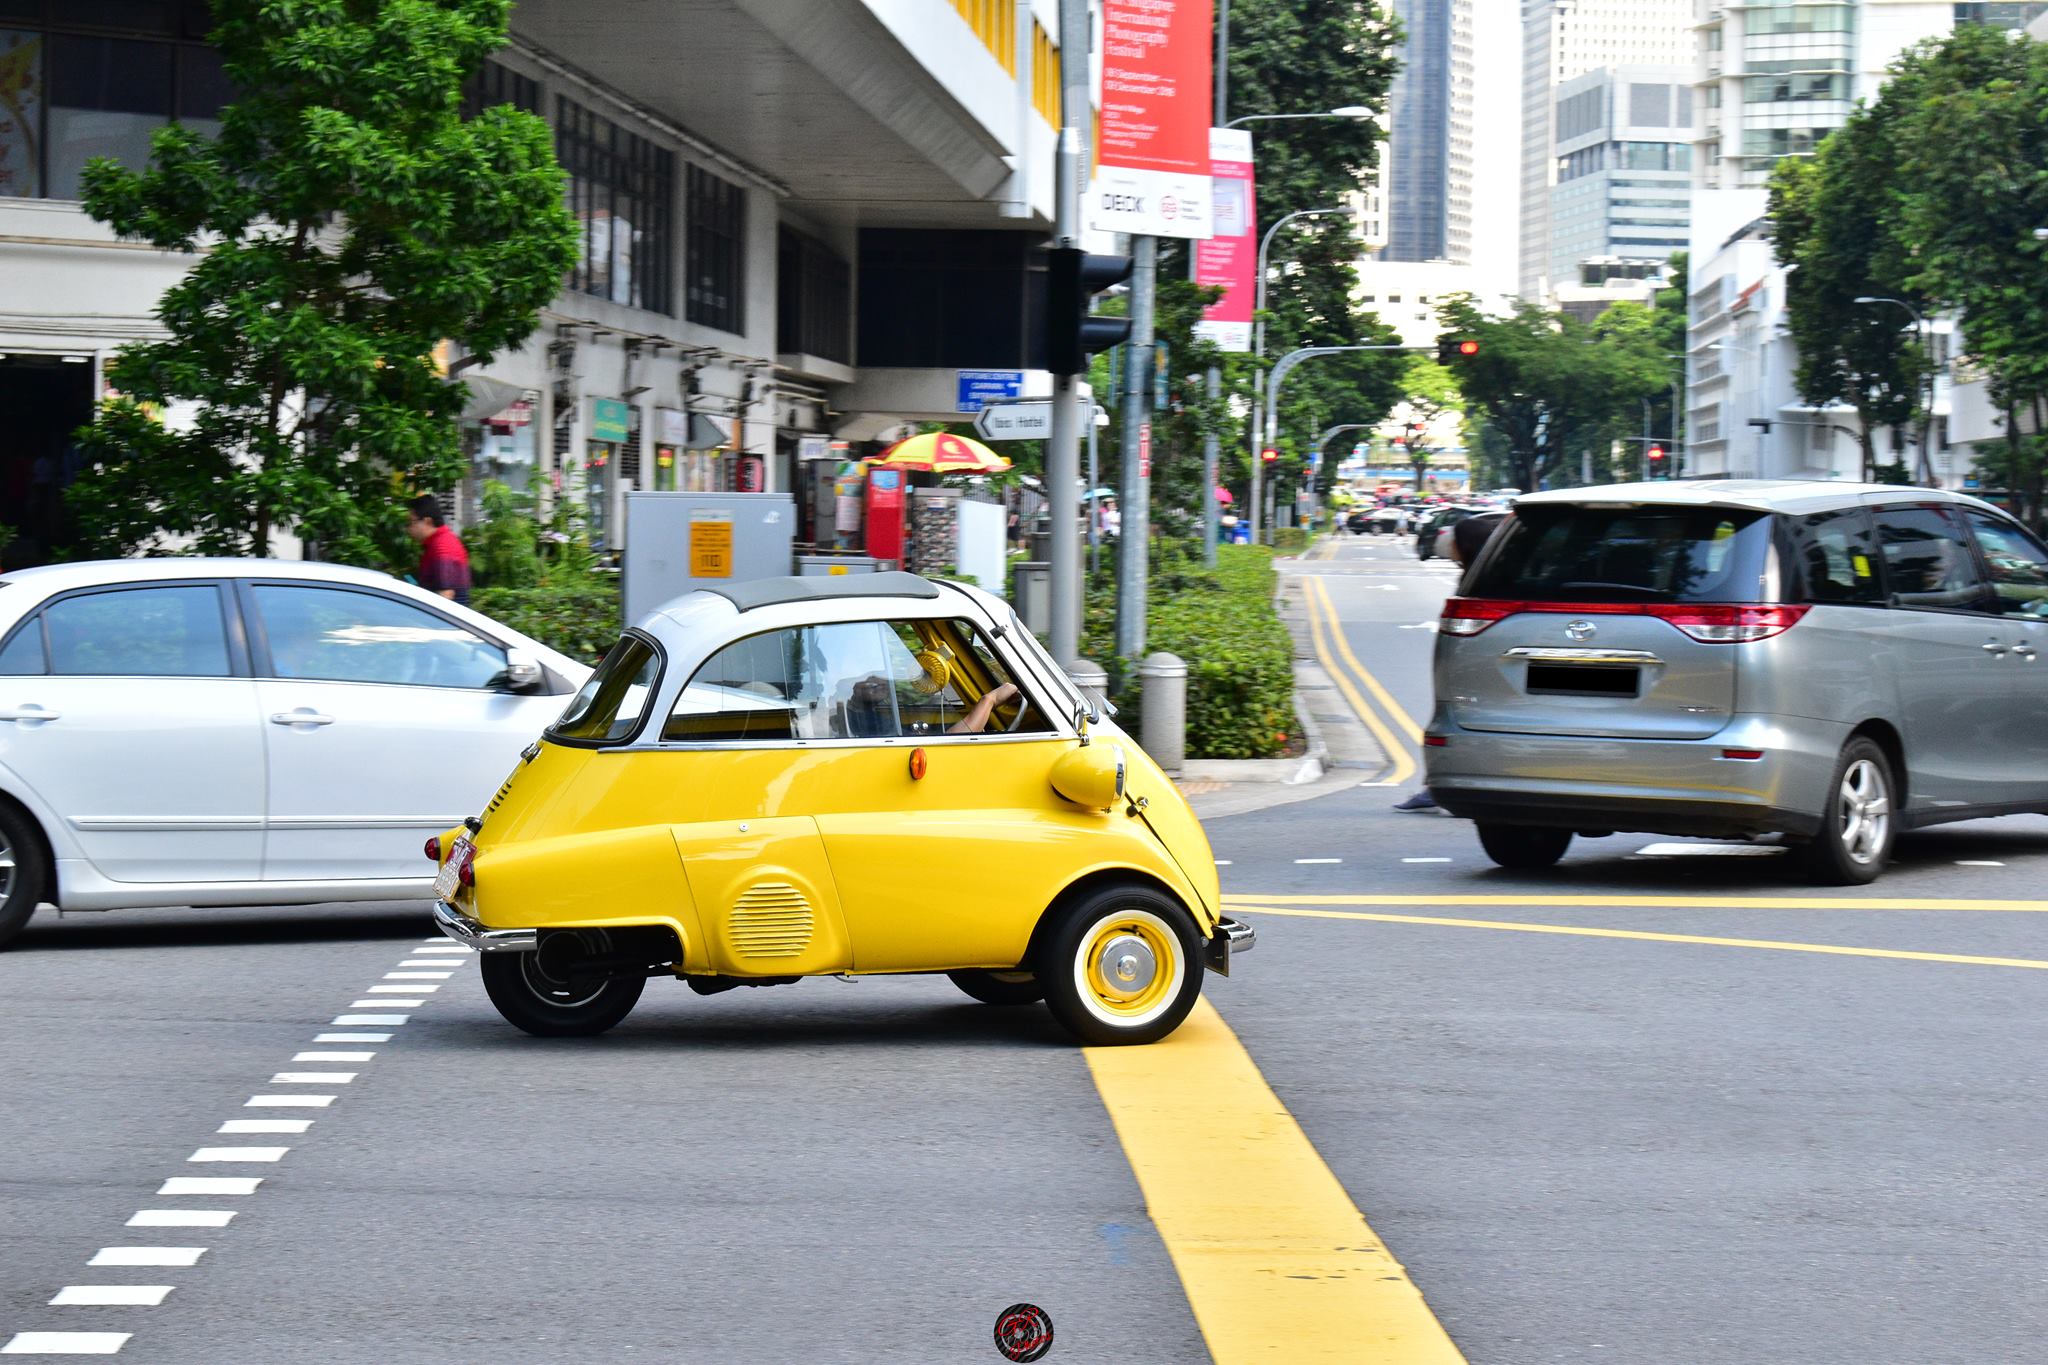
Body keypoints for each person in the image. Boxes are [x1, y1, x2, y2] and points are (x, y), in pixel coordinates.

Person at [1394, 509, 1510, 813]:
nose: (1448, 546)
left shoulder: (1478, 581)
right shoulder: (1482, 573)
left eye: (1455, 540)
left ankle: (1442, 784)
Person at [406, 493, 471, 605]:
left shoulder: (442, 547)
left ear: (427, 521)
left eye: (412, 522)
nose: (409, 528)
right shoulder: (440, 541)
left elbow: (446, 595)